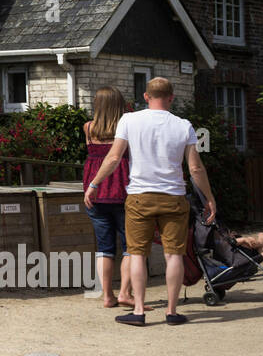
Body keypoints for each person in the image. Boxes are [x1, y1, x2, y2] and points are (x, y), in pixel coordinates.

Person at [84, 77, 216, 326]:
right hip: (174, 197)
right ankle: (172, 312)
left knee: (136, 253)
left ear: (146, 96)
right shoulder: (184, 126)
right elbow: (195, 168)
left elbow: (113, 158)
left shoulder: (129, 120)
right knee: (174, 255)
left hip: (139, 197)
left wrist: (94, 184)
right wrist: (209, 198)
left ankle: (139, 311)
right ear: (171, 97)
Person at [82, 86, 133, 308]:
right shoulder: (126, 129)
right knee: (131, 246)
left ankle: (107, 296)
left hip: (95, 192)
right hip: (122, 191)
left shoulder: (88, 128)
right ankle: (125, 292)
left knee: (104, 247)